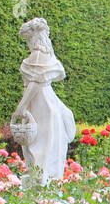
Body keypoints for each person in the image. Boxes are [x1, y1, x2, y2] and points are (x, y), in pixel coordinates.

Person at [12, 17, 75, 183]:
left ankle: (40, 185)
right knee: (48, 146)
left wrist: (21, 106)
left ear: (33, 38)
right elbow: (55, 75)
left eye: (27, 40)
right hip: (48, 103)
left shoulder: (37, 56)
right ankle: (48, 183)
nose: (28, 44)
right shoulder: (47, 56)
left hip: (40, 105)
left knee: (40, 147)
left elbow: (36, 84)